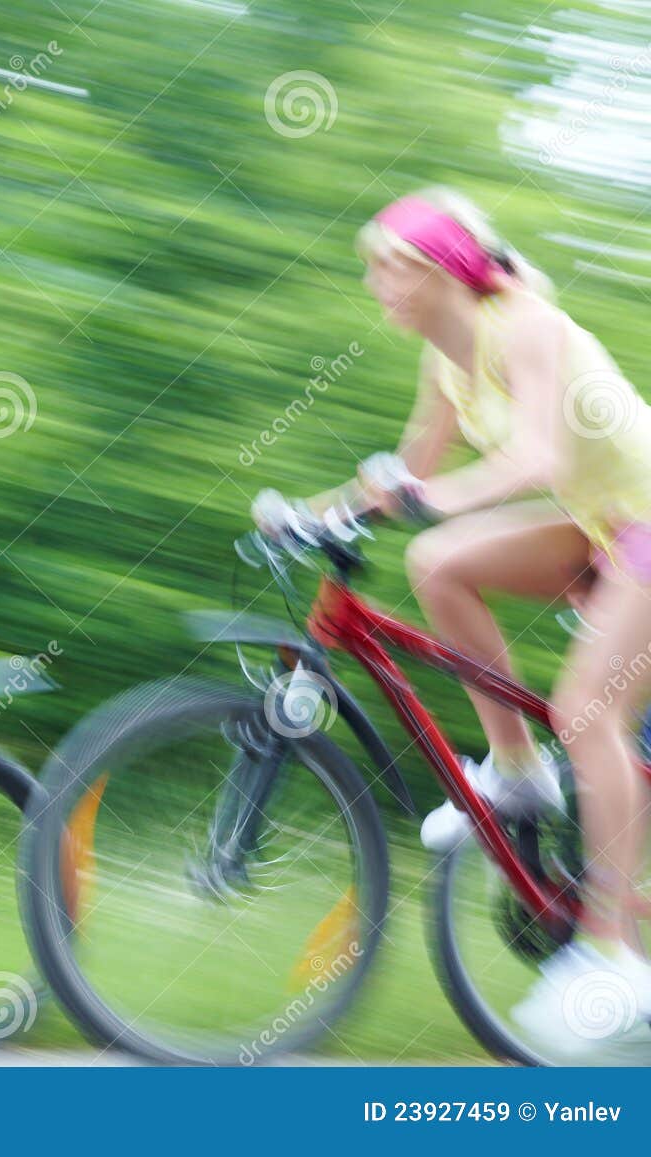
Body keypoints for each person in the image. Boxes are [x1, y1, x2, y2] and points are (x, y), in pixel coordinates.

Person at [271, 189, 651, 1053]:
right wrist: (311, 514)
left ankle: (615, 957)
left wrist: (431, 496)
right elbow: (410, 469)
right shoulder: (447, 360)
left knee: (589, 710)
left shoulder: (527, 326)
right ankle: (517, 770)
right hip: (606, 526)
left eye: (387, 268)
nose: (374, 284)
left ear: (437, 271)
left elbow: (538, 456)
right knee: (436, 562)